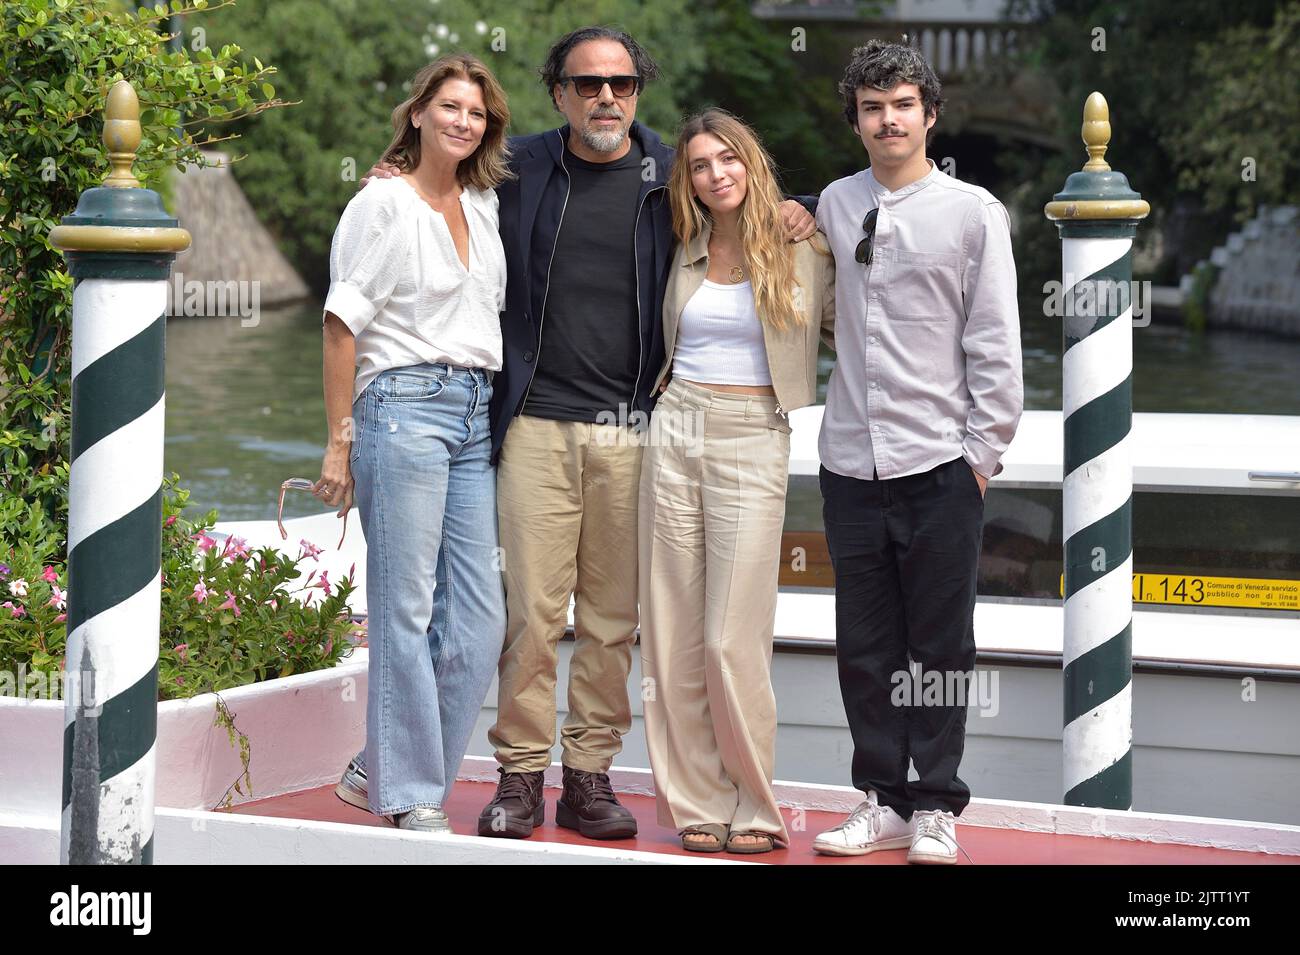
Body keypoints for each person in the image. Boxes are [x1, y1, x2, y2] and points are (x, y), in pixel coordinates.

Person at [359, 28, 814, 841]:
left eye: (624, 83)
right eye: (588, 82)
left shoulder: (670, 172)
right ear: (559, 92)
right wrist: (391, 174)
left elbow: (740, 198)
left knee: (613, 620)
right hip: (533, 420)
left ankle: (591, 777)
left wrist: (800, 207)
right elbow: (435, 177)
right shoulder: (517, 166)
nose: (608, 96)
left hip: (638, 428)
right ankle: (521, 778)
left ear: (639, 91)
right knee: (528, 616)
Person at [811, 40, 1023, 863]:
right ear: (857, 121)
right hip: (849, 463)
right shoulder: (833, 201)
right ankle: (882, 798)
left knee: (940, 642)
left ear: (929, 115)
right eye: (872, 107)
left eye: (902, 104)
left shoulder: (974, 212)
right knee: (864, 645)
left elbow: (997, 341)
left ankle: (937, 802)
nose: (888, 118)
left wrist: (980, 457)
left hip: (941, 464)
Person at [319, 53, 512, 832]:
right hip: (399, 407)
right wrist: (339, 442)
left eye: (476, 112)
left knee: (478, 618)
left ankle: (377, 766)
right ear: (419, 113)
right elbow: (339, 325)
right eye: (450, 106)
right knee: (403, 607)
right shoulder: (384, 206)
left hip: (472, 413)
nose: (463, 120)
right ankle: (406, 791)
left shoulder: (485, 203)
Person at [638, 109, 834, 854]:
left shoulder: (802, 241)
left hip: (755, 432)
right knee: (672, 633)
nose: (716, 174)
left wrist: (808, 203)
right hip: (674, 424)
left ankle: (754, 803)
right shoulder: (682, 242)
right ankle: (695, 799)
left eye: (728, 159)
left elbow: (858, 322)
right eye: (699, 164)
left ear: (750, 162)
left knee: (730, 637)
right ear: (685, 178)